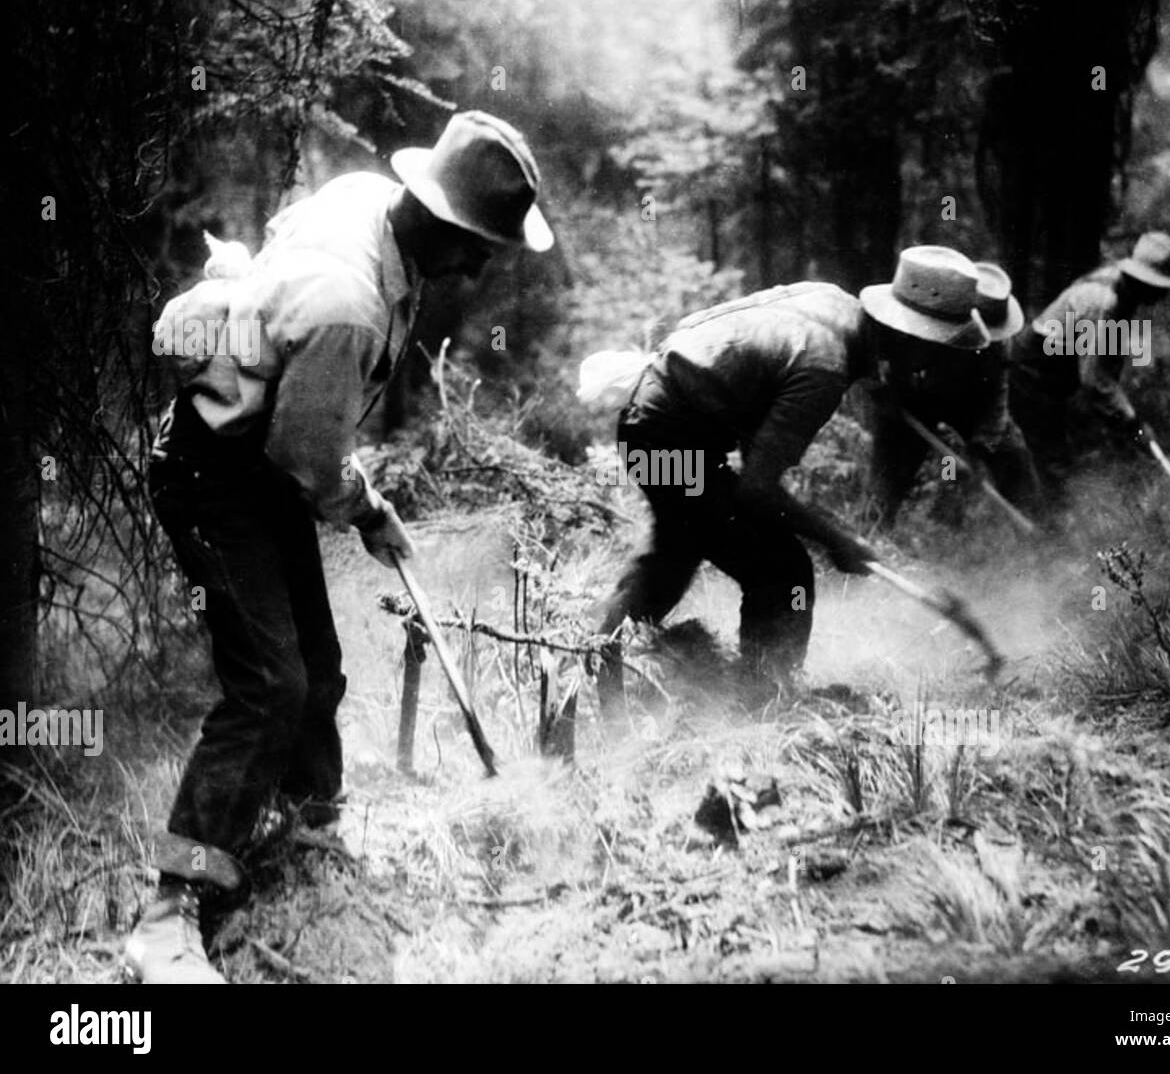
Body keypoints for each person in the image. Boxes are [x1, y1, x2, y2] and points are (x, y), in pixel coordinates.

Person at [126, 111, 553, 983]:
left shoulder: (369, 199)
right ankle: (167, 912)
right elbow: (304, 455)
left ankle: (308, 829)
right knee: (270, 687)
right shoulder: (352, 302)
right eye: (475, 247)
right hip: (216, 472)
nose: (476, 267)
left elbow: (301, 413)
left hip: (261, 457)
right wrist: (364, 507)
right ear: (435, 220)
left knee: (316, 669)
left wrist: (364, 502)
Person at [594, 246, 1029, 711]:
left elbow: (751, 401)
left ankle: (595, 665)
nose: (932, 364)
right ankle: (764, 704)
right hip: (670, 437)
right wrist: (837, 539)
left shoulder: (833, 304)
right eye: (934, 348)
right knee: (781, 570)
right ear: (907, 338)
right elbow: (757, 486)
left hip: (660, 425)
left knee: (677, 552)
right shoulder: (824, 366)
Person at [862, 247, 1041, 530]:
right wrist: (883, 390)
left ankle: (1041, 540)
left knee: (1012, 455)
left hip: (970, 402)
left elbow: (996, 398)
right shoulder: (925, 320)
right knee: (890, 465)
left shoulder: (998, 346)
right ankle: (872, 532)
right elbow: (877, 358)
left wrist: (981, 450)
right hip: (913, 397)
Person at [1009, 231, 1170, 494]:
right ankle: (1046, 525)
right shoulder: (1103, 303)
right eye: (1162, 286)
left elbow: (1107, 362)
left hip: (1056, 377)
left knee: (1056, 452)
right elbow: (1095, 380)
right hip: (1032, 375)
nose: (1165, 294)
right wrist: (1132, 423)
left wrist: (1125, 417)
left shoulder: (1124, 292)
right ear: (1145, 281)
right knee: (1053, 463)